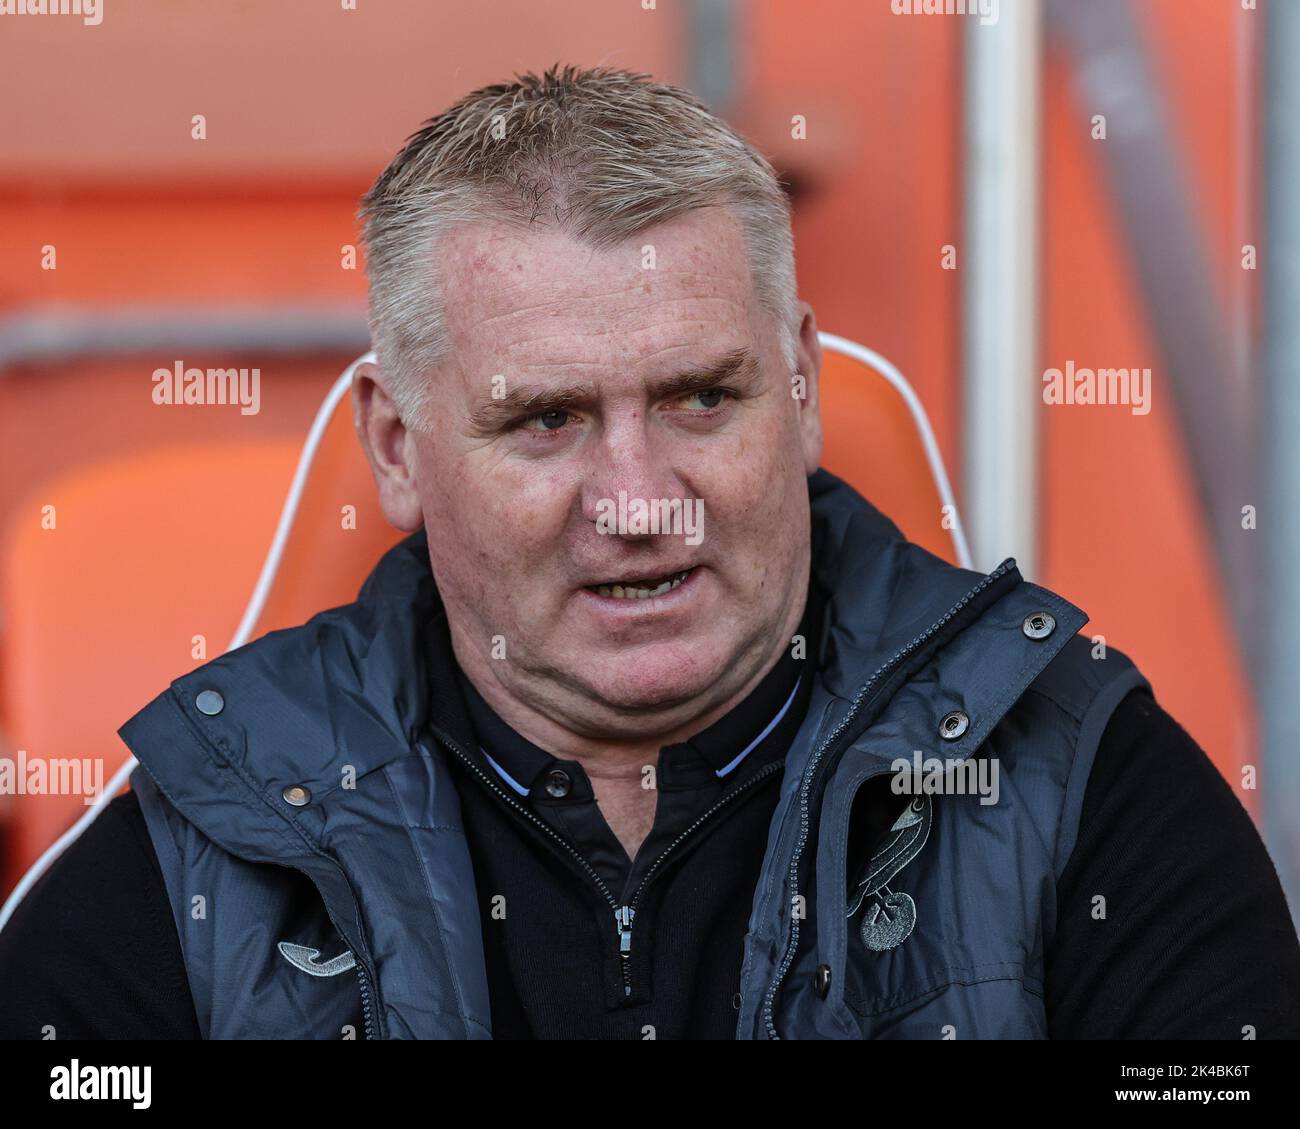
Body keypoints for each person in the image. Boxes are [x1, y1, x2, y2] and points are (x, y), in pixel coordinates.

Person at [2, 64, 1297, 1040]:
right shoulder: (206, 848)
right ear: (397, 447)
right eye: (548, 417)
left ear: (798, 385)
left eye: (699, 398)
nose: (638, 500)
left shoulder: (1083, 780)